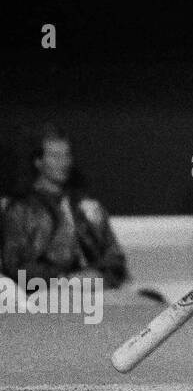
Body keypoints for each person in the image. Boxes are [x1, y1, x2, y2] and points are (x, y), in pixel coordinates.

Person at [1, 125, 129, 292]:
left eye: (67, 155)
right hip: (43, 294)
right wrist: (63, 279)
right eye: (55, 156)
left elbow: (114, 257)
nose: (63, 162)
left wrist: (97, 275)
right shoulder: (21, 209)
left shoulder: (85, 206)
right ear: (38, 161)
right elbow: (15, 265)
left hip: (97, 292)